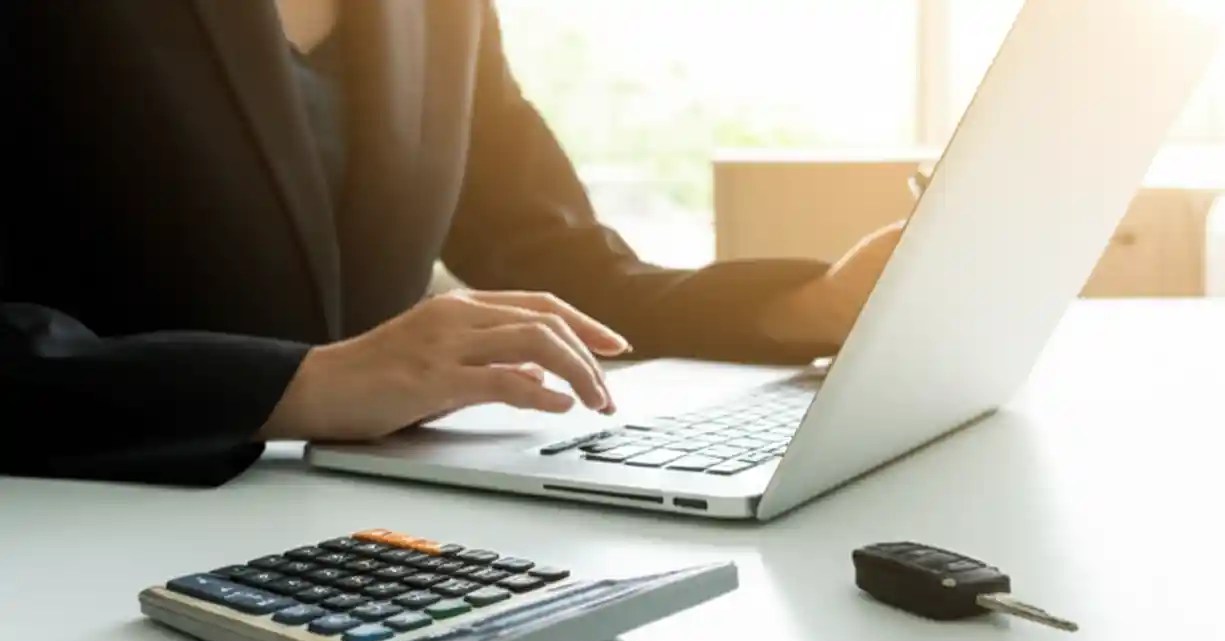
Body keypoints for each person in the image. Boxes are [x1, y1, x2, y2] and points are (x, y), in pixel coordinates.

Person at [0, 0, 902, 485]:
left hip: (361, 546)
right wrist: (302, 385)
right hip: (79, 541)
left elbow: (560, 265)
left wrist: (807, 307)